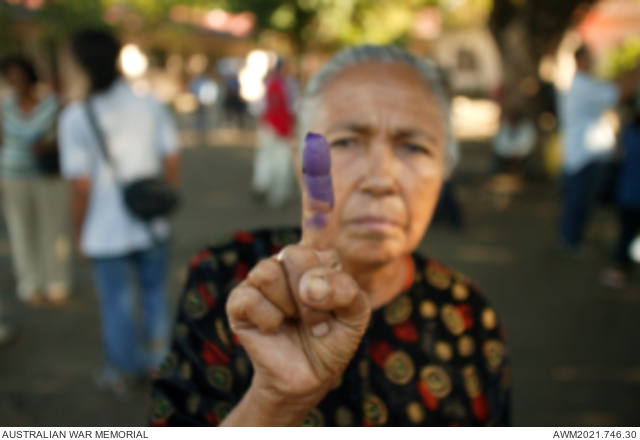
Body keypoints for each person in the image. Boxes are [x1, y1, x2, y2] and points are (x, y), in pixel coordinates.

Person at [151, 45, 509, 426]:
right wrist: (274, 403)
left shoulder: (466, 313)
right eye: (348, 142)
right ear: (297, 159)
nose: (381, 179)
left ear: (444, 170)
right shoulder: (229, 282)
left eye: (413, 147)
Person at [58, 30, 181, 396]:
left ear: (80, 65)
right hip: (152, 224)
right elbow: (172, 159)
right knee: (155, 294)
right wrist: (163, 199)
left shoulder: (76, 116)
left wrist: (77, 234)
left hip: (103, 230)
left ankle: (122, 371)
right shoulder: (148, 103)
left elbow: (80, 187)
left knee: (116, 304)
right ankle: (158, 360)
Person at [0, 56, 71, 305]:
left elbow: (68, 137)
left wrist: (50, 147)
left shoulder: (52, 103)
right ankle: (29, 282)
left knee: (53, 230)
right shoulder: (5, 105)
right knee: (21, 232)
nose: (16, 82)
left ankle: (56, 280)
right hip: (13, 176)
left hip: (47, 174)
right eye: (11, 78)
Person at [557, 45, 640, 252]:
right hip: (582, 155)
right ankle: (571, 240)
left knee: (578, 201)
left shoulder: (582, 84)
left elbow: (613, 87)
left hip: (581, 153)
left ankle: (572, 238)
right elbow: (618, 92)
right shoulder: (582, 85)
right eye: (589, 58)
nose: (592, 62)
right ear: (580, 60)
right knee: (578, 202)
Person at [601, 93, 640, 289]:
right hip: (630, 195)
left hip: (629, 196)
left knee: (625, 237)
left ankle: (620, 271)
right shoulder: (628, 134)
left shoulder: (628, 134)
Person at [252, 58, 296, 208]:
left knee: (266, 157)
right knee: (281, 161)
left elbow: (258, 107)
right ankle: (276, 193)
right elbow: (293, 108)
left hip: (268, 126)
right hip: (280, 127)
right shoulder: (288, 85)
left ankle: (262, 184)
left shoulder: (268, 83)